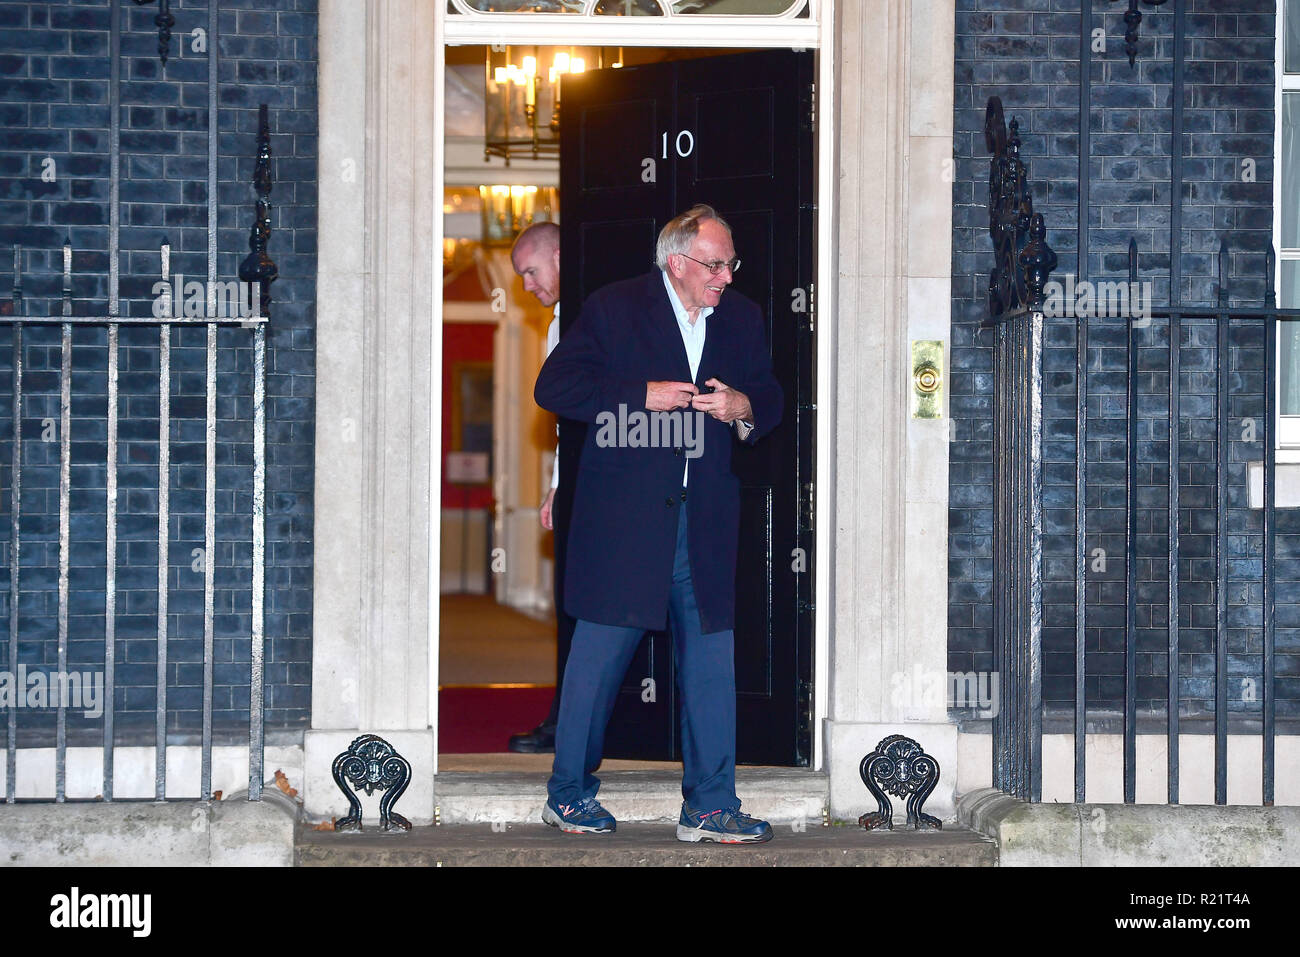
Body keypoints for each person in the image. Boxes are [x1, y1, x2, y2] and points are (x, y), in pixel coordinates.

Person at [533, 204, 783, 843]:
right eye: (716, 263)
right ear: (678, 262)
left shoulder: (743, 318)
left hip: (704, 525)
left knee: (710, 667)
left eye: (730, 263)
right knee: (596, 666)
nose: (726, 275)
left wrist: (743, 406)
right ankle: (569, 796)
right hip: (624, 527)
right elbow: (554, 387)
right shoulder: (616, 308)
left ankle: (709, 804)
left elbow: (771, 400)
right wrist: (637, 395)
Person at [506, 221, 570, 753]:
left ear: (558, 254)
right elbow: (564, 419)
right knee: (571, 603)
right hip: (581, 482)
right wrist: (556, 485)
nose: (525, 285)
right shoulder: (555, 324)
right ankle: (564, 721)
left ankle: (570, 725)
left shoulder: (603, 315)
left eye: (530, 270)